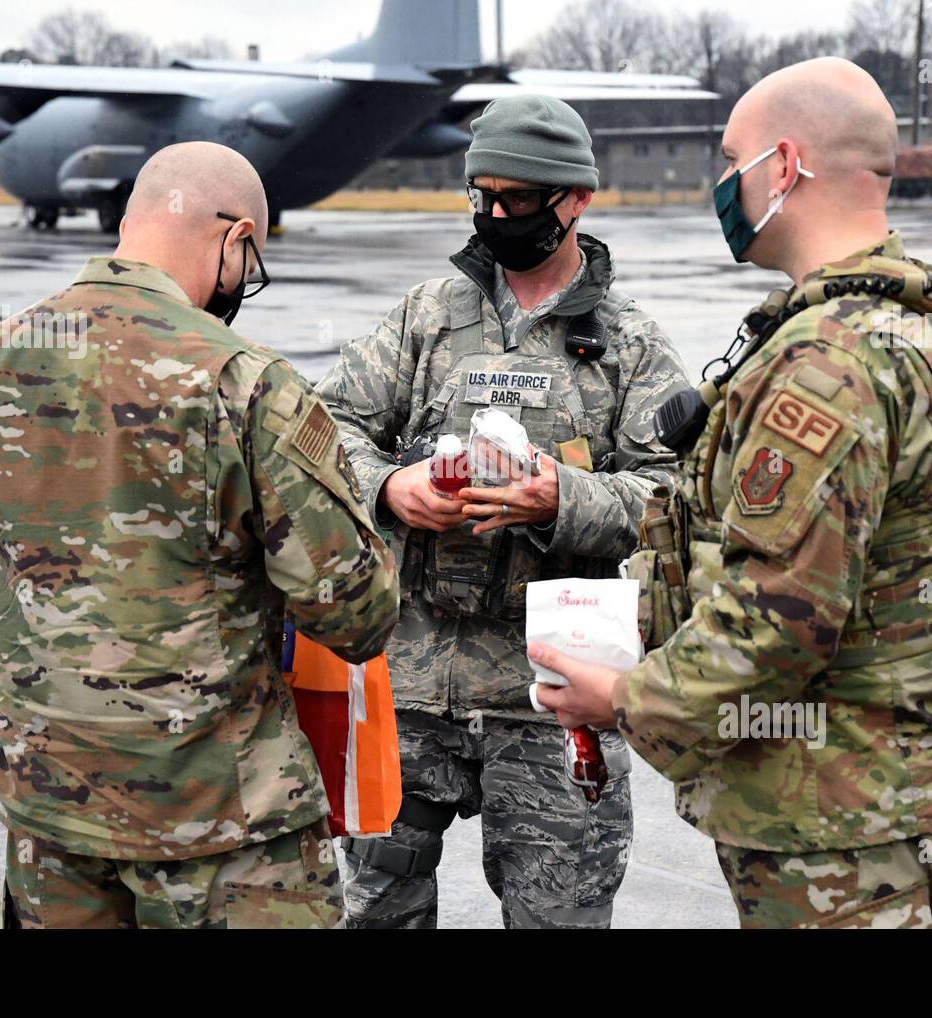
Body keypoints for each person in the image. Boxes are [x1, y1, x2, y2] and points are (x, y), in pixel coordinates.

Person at [530, 57, 932, 930]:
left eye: (732, 161)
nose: (723, 183)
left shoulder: (828, 362)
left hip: (838, 820)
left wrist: (626, 699)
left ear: (784, 168)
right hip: (909, 783)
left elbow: (775, 624)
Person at [0, 141, 400, 929]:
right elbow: (354, 611)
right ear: (234, 238)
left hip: (51, 817)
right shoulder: (246, 383)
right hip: (219, 826)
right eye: (250, 262)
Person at [315, 94, 690, 929]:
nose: (493, 214)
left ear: (575, 201)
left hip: (554, 701)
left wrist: (565, 497)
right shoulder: (425, 316)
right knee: (372, 913)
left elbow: (677, 498)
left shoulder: (629, 343)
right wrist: (388, 488)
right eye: (480, 193)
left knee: (559, 918)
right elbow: (323, 425)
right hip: (407, 687)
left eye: (517, 199)